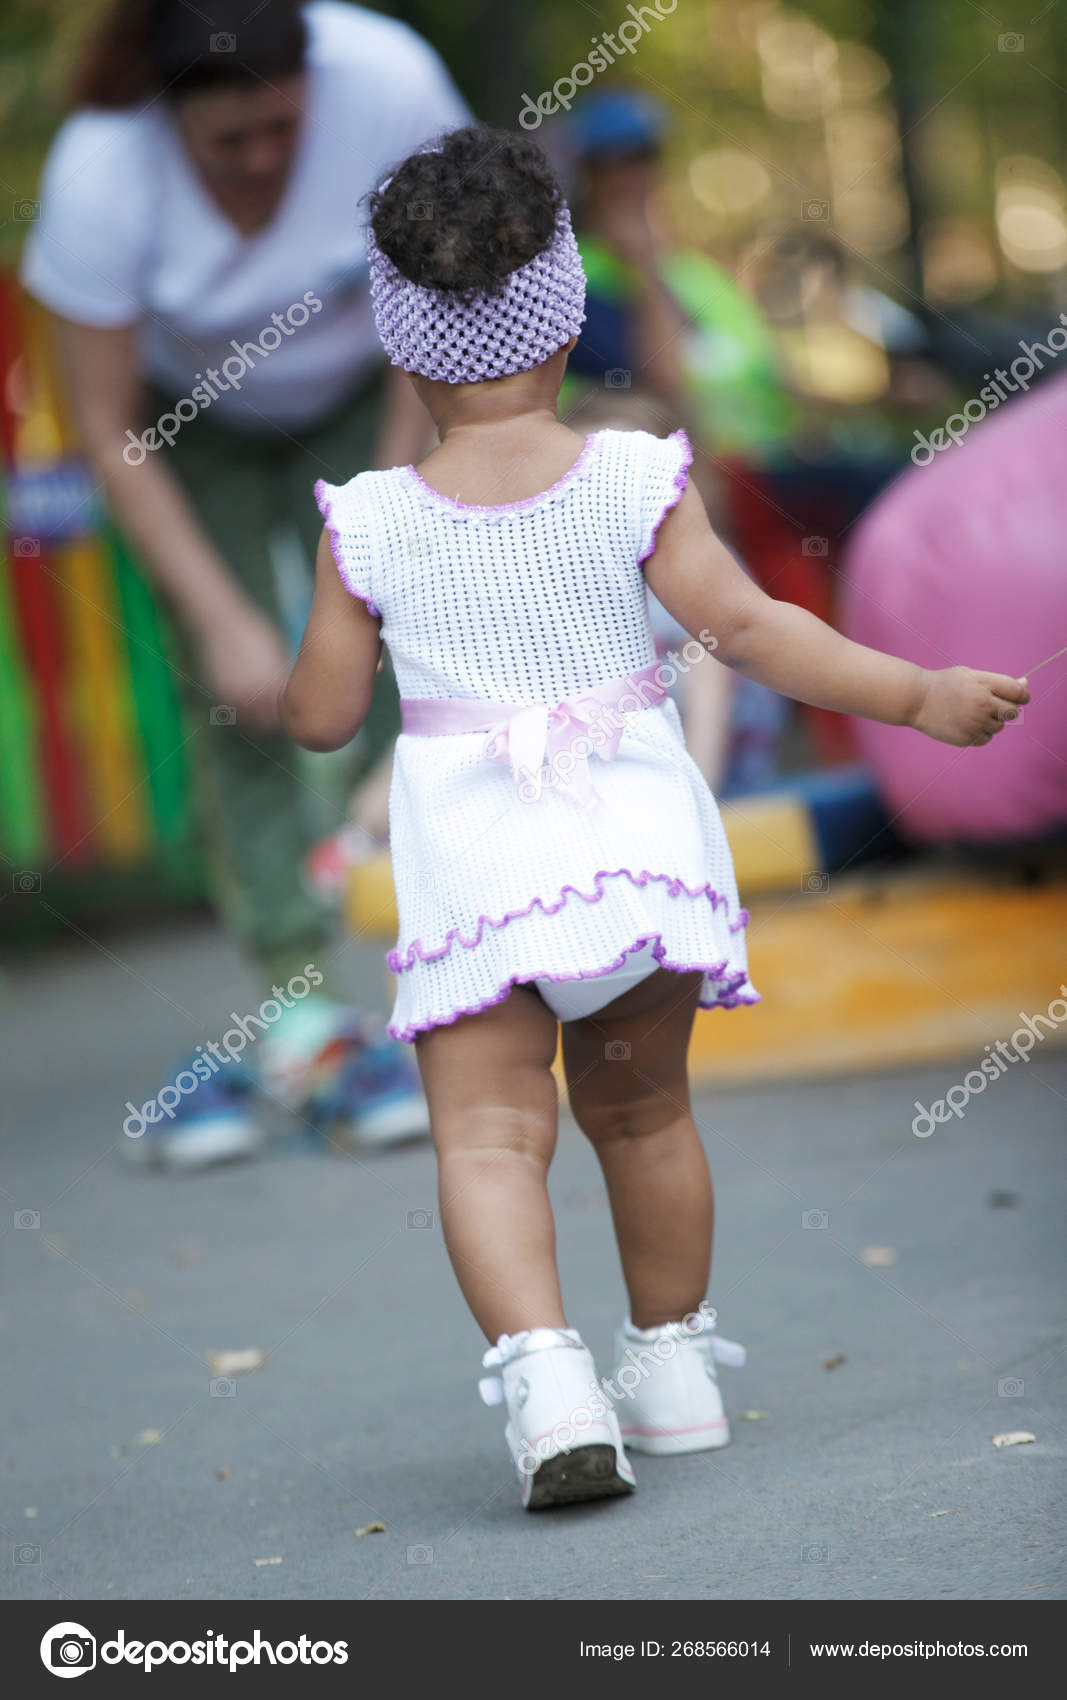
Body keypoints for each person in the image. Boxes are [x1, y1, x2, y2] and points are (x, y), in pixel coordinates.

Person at [282, 126, 1028, 1511]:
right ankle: (673, 1371)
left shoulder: (367, 521)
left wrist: (308, 670)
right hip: (628, 854)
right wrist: (915, 694)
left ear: (398, 342)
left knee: (489, 1137)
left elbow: (324, 717)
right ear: (567, 315)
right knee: (642, 1119)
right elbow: (750, 629)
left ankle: (548, 1385)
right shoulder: (633, 476)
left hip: (478, 872)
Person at [21, 0, 469, 1165]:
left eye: (284, 127)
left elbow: (441, 303)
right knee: (245, 697)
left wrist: (383, 518)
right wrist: (222, 618)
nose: (266, 158)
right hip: (190, 420)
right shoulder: (101, 171)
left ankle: (452, 958)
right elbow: (108, 428)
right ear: (169, 117)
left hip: (371, 383)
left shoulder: (388, 78)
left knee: (410, 643)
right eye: (231, 141)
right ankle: (299, 1001)